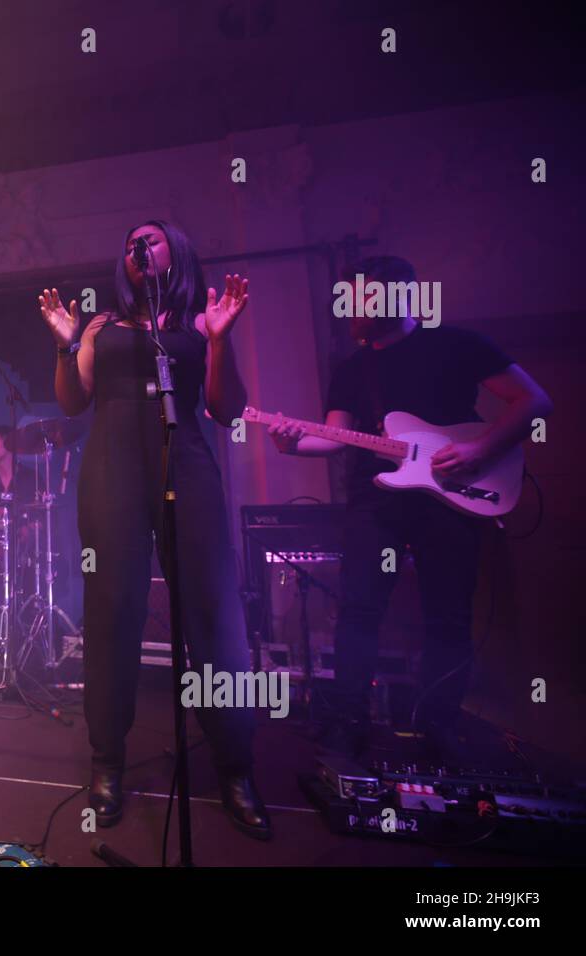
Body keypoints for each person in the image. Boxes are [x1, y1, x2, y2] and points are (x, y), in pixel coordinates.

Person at [38, 219, 270, 839]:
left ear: (176, 253)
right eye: (131, 243)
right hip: (112, 470)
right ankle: (107, 764)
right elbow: (71, 401)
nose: (139, 246)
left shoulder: (200, 323)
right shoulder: (101, 328)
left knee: (215, 618)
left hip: (186, 463)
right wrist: (65, 344)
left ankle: (235, 767)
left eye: (153, 237)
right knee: (112, 613)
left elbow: (224, 409)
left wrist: (220, 342)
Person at [267, 255, 552, 760]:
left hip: (453, 497)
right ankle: (348, 720)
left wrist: (481, 448)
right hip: (374, 502)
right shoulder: (353, 367)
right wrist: (292, 444)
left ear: (401, 296)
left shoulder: (457, 344)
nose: (351, 306)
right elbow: (334, 438)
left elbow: (533, 402)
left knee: (448, 615)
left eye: (363, 297)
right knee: (358, 609)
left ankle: (438, 726)